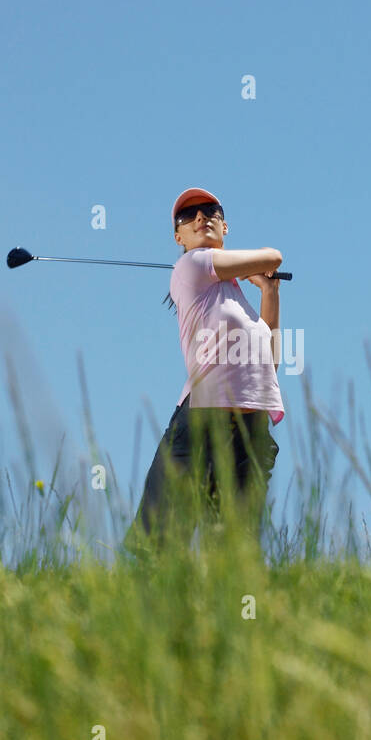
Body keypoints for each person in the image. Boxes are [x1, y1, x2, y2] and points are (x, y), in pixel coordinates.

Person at [122, 187, 285, 558]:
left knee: (232, 551)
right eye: (188, 215)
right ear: (178, 238)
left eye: (210, 210)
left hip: (251, 431)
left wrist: (270, 291)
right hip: (201, 421)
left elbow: (270, 364)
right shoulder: (191, 266)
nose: (201, 217)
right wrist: (261, 265)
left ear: (225, 226)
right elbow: (275, 254)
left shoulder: (237, 298)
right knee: (160, 540)